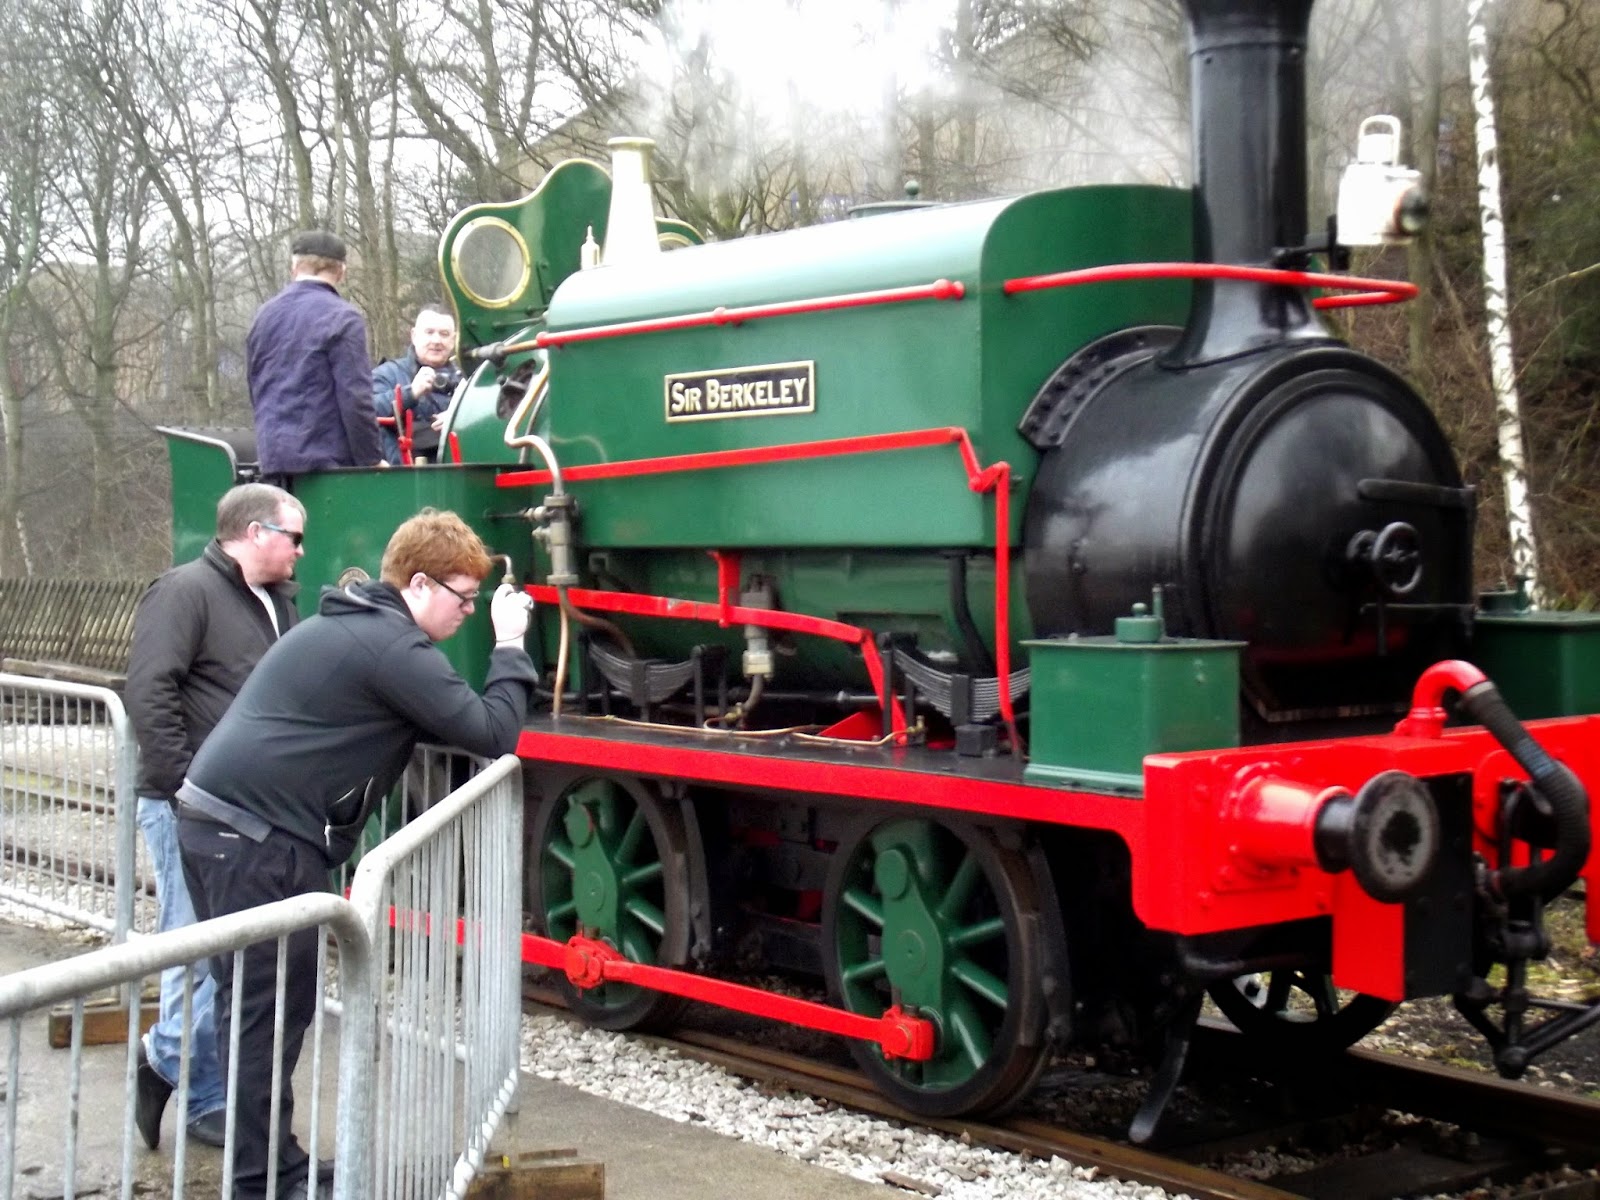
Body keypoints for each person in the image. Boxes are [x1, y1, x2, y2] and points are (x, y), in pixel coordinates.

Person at [176, 509, 537, 1200]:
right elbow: (494, 731)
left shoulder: (357, 627)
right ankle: (259, 1183)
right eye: (463, 598)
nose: (468, 611)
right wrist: (511, 644)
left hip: (230, 827)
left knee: (262, 1012)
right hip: (253, 838)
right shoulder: (390, 647)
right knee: (266, 1016)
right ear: (421, 583)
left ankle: (270, 1166)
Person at [125, 482, 306, 1153]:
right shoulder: (184, 592)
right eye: (294, 536)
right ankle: (195, 1087)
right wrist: (183, 786)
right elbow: (149, 688)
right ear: (256, 532)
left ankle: (170, 1064)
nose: (301, 551)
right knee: (197, 949)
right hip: (190, 804)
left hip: (250, 808)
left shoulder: (278, 602)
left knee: (232, 953)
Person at [246, 230, 383, 480]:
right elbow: (355, 398)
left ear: (294, 267)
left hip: (272, 462)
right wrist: (371, 459)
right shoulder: (344, 317)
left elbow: (255, 387)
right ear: (341, 271)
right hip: (328, 466)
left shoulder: (263, 316)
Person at [372, 306, 460, 465]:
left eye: (444, 334)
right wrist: (410, 393)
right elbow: (364, 412)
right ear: (414, 335)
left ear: (454, 340)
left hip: (456, 475)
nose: (436, 340)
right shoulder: (387, 374)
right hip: (400, 478)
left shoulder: (468, 381)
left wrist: (461, 419)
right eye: (429, 332)